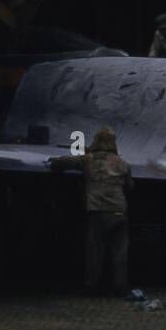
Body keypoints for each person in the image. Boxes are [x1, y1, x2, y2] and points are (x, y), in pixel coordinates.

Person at [47, 127, 133, 296]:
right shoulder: (124, 164)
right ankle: (120, 287)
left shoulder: (89, 160)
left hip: (99, 212)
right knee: (119, 253)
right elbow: (130, 186)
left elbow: (63, 163)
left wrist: (53, 161)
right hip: (120, 212)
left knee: (95, 251)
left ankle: (91, 286)